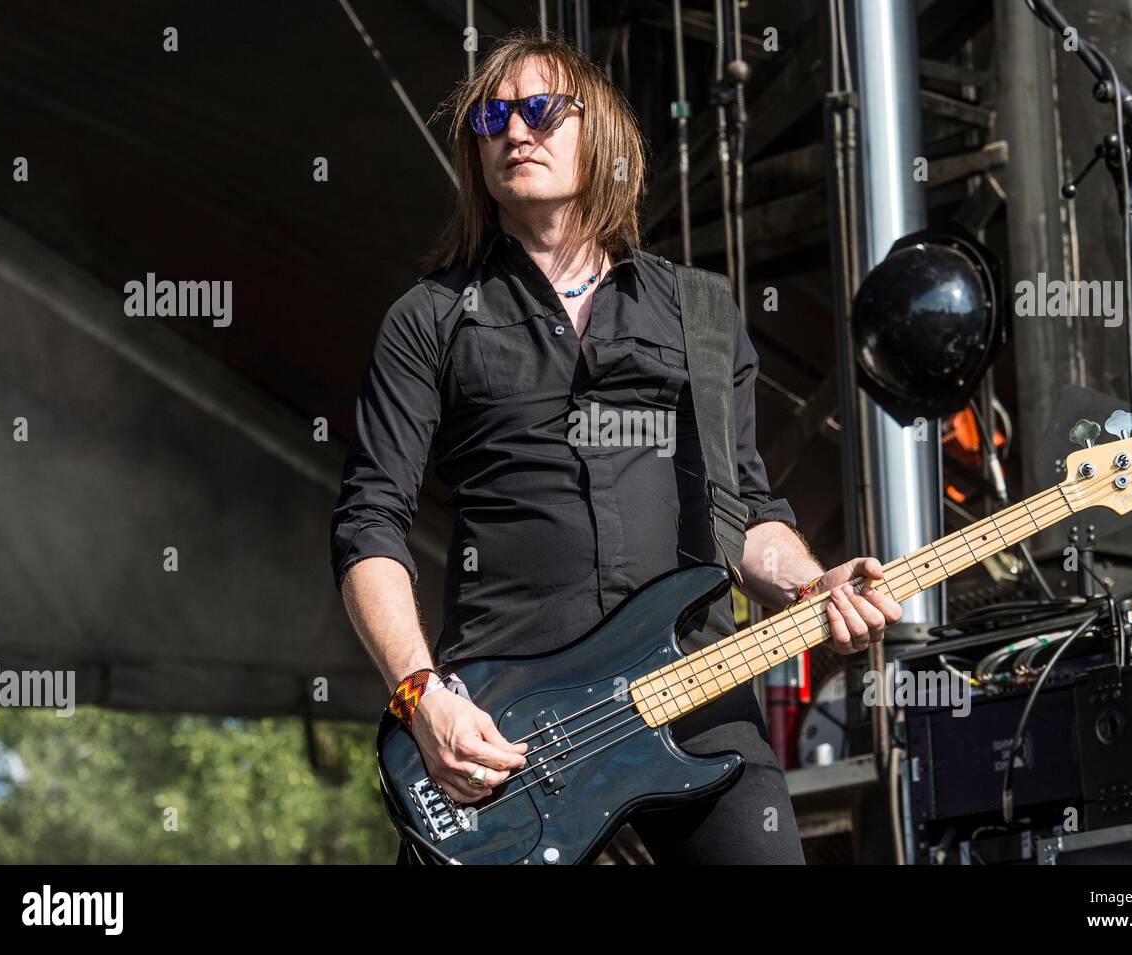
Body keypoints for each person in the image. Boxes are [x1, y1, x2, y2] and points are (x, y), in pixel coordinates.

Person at [330, 31, 902, 865]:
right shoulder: (430, 318)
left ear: (598, 134)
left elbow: (744, 515)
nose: (514, 131)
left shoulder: (698, 311)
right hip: (503, 717)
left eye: (539, 110)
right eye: (493, 116)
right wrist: (421, 696)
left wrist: (816, 585)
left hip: (692, 685)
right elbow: (368, 524)